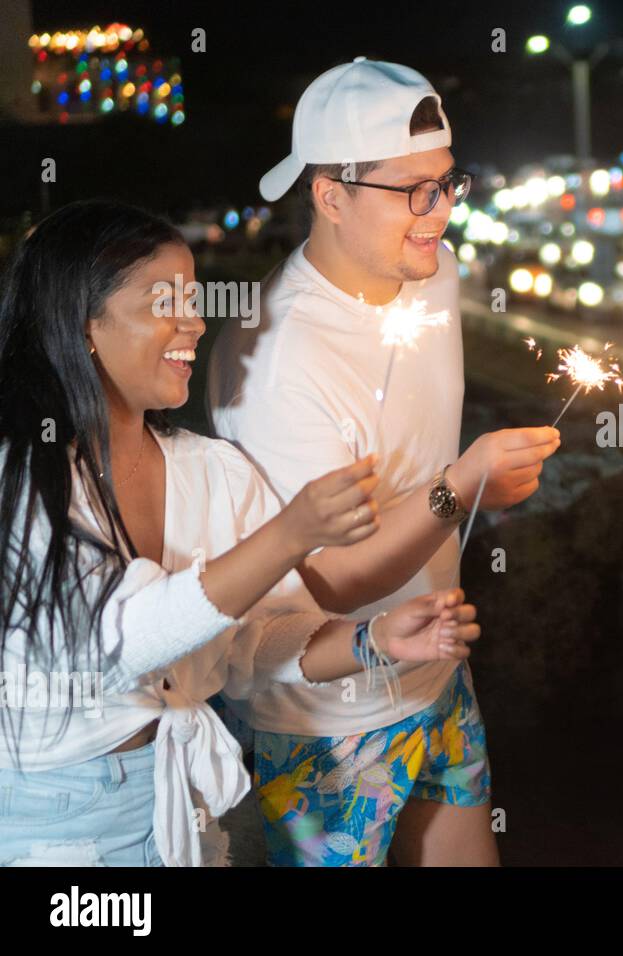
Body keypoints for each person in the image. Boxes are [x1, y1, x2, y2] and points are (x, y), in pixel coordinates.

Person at [0, 201, 481, 867]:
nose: (195, 323)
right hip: (50, 816)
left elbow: (260, 647)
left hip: (178, 804)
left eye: (194, 299)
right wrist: (288, 534)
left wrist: (374, 640)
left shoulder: (215, 474)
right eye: (164, 300)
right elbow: (124, 641)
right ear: (85, 323)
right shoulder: (27, 473)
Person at [208, 58, 559, 867]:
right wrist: (464, 483)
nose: (440, 213)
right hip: (327, 715)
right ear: (330, 195)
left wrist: (472, 488)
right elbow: (328, 578)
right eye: (413, 191)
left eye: (447, 182)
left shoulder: (432, 277)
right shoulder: (278, 357)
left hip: (436, 666)